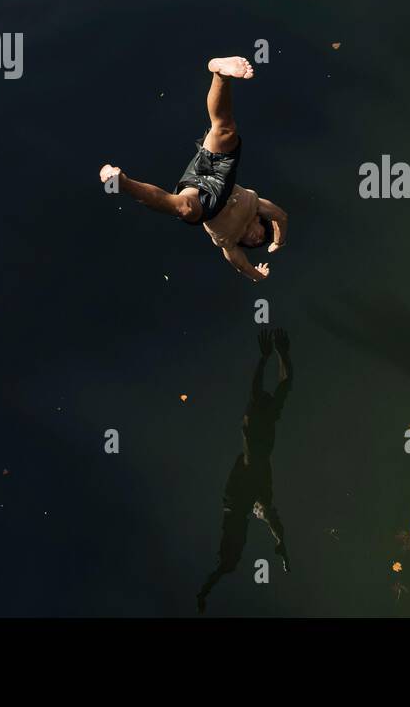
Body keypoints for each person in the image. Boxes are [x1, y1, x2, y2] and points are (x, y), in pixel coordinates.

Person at [99, 57, 287, 282]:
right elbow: (281, 217)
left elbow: (244, 268)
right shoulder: (257, 205)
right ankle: (220, 74)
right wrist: (278, 240)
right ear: (259, 220)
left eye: (254, 243)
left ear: (242, 244)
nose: (257, 239)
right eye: (261, 235)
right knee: (225, 130)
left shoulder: (229, 245)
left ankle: (122, 182)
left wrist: (259, 275)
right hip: (222, 176)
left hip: (205, 205)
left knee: (183, 208)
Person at [197, 327, 295, 613]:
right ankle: (280, 544)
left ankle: (280, 544)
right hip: (249, 480)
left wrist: (273, 356)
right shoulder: (261, 417)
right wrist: (274, 356)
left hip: (248, 482)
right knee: (262, 514)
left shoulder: (263, 416)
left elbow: (281, 384)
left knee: (263, 514)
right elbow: (280, 384)